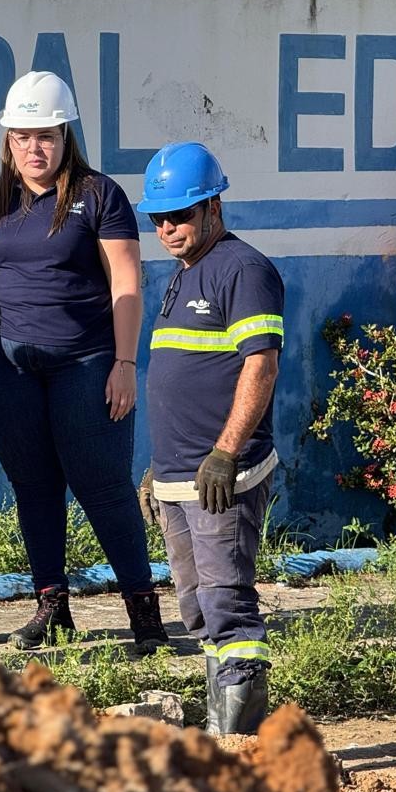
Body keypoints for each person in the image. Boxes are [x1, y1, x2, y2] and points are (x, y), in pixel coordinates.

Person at [0, 70, 169, 653]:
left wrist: (124, 363)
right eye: (22, 136)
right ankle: (52, 606)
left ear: (66, 135)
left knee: (105, 487)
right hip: (6, 371)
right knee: (34, 487)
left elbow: (126, 279)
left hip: (88, 363)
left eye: (45, 135)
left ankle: (144, 612)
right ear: (7, 140)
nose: (34, 149)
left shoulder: (99, 195)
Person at [137, 141, 284, 734]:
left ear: (213, 207)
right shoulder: (184, 274)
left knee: (227, 604)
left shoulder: (242, 269)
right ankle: (224, 732)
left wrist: (224, 453)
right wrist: (159, 468)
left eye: (181, 214)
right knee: (197, 608)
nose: (169, 227)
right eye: (160, 218)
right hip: (179, 478)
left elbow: (261, 366)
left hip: (221, 475)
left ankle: (239, 745)